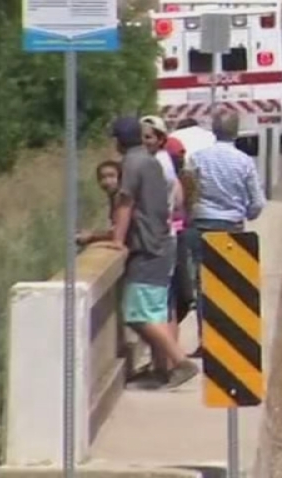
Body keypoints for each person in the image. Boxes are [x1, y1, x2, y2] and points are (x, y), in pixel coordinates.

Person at [97, 116, 198, 389]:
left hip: (148, 247)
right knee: (154, 311)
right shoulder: (152, 160)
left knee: (138, 314)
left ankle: (180, 362)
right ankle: (162, 369)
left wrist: (117, 238)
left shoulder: (132, 163)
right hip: (162, 243)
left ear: (120, 140)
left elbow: (126, 203)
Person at [187, 110, 268, 344]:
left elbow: (188, 191)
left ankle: (206, 339)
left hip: (201, 224)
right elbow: (258, 202)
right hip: (231, 226)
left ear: (214, 130)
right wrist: (247, 214)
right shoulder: (244, 161)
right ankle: (229, 338)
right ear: (236, 132)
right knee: (231, 284)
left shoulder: (197, 158)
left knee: (203, 286)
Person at [140, 117, 192, 327]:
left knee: (159, 303)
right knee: (168, 300)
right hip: (168, 235)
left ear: (161, 139)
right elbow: (179, 200)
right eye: (141, 137)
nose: (144, 141)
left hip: (159, 239)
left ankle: (168, 357)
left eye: (148, 137)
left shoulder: (156, 165)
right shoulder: (165, 161)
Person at [76, 161, 122, 247]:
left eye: (111, 176)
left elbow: (120, 232)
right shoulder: (113, 197)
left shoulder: (122, 199)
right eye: (102, 177)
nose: (107, 181)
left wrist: (92, 236)